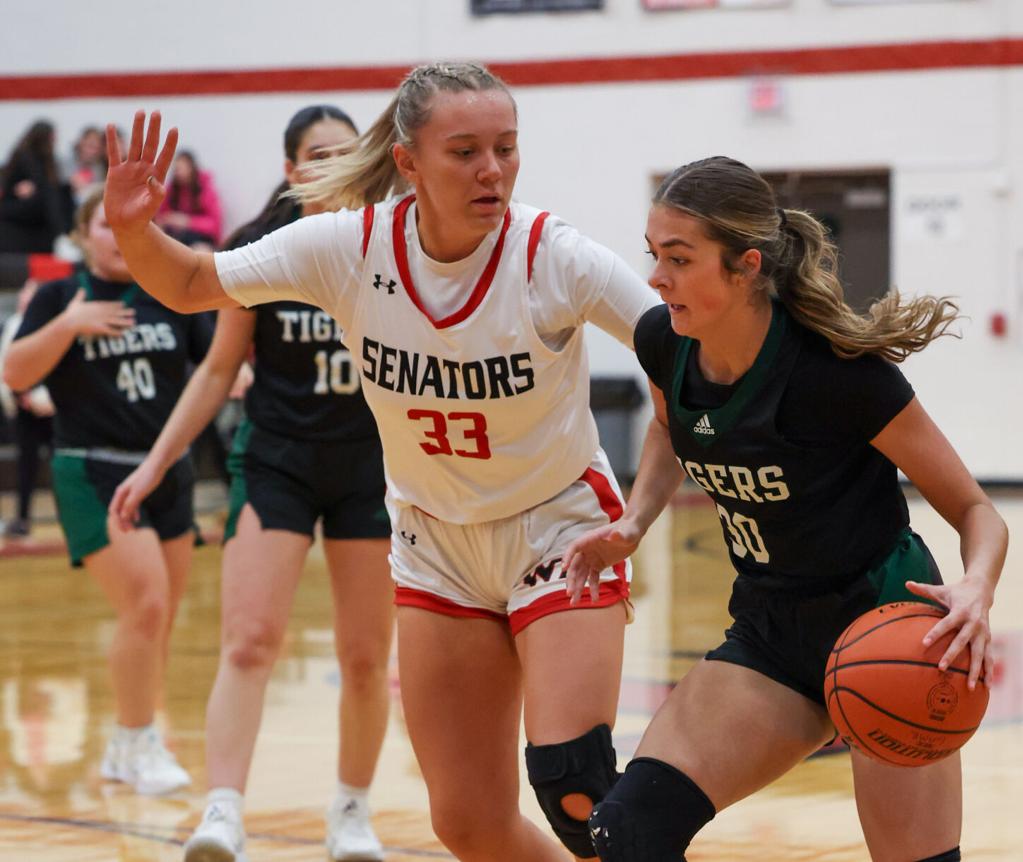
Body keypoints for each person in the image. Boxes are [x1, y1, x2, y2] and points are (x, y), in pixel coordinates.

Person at [102, 62, 661, 862]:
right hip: (436, 543)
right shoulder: (347, 248)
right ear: (407, 161)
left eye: (505, 147)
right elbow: (192, 283)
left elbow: (679, 350)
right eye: (464, 151)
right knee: (465, 822)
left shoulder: (552, 255)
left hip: (557, 528)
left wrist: (646, 503)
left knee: (575, 790)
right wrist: (135, 231)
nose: (491, 169)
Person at [563, 156, 1008, 862]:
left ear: (745, 266)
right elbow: (665, 427)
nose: (655, 278)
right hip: (772, 627)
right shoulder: (664, 341)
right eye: (654, 256)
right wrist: (635, 520)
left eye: (679, 259)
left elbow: (975, 508)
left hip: (883, 624)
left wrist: (976, 587)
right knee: (630, 830)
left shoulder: (837, 376)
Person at [109, 104, 394, 862]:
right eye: (319, 154)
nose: (335, 164)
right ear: (293, 169)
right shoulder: (258, 251)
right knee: (250, 641)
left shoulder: (393, 247)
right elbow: (216, 370)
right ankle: (223, 812)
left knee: (366, 656)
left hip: (372, 465)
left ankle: (353, 812)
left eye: (348, 152)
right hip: (279, 463)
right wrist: (156, 462)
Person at [2, 186, 213, 795]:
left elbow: (219, 366)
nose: (119, 236)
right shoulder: (59, 295)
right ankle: (137, 739)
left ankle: (130, 743)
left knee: (161, 617)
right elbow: (15, 374)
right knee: (145, 605)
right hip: (92, 468)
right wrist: (70, 325)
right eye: (106, 225)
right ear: (83, 233)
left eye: (134, 225)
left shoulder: (171, 290)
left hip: (166, 471)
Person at [0, 279, 56, 538]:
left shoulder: (55, 325)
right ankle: (22, 519)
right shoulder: (12, 325)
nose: (25, 297)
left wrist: (49, 400)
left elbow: (60, 367)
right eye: (24, 293)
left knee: (62, 465)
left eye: (32, 294)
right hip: (24, 408)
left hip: (54, 410)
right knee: (26, 466)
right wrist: (22, 397)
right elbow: (5, 368)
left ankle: (71, 517)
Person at [0, 120, 72, 254]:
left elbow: (43, 184)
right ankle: (61, 236)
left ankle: (63, 236)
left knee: (61, 193)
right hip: (13, 205)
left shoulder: (45, 158)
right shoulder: (24, 155)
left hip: (32, 203)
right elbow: (40, 183)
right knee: (49, 196)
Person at [157, 150, 222, 248]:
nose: (178, 172)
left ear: (191, 168)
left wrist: (188, 222)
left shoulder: (205, 190)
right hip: (176, 237)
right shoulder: (172, 189)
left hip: (200, 239)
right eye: (176, 169)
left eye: (181, 168)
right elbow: (161, 215)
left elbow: (215, 225)